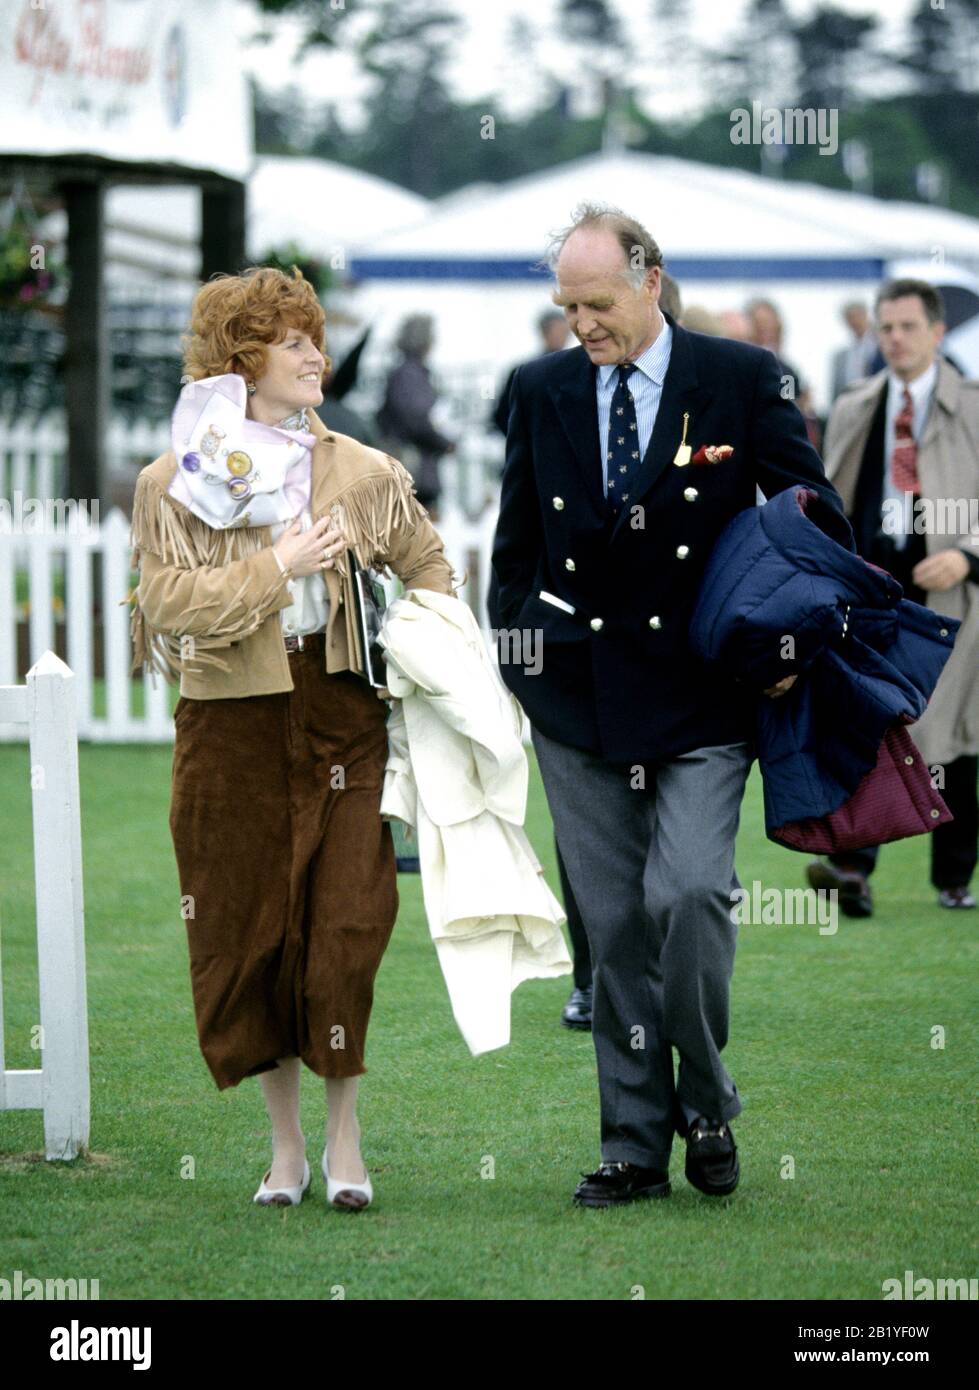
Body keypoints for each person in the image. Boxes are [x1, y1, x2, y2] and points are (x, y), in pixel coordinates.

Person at [489, 201, 851, 1208]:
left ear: (649, 278)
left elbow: (816, 520)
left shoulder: (738, 380)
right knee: (611, 932)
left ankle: (705, 1096)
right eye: (566, 307)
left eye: (596, 303)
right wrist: (522, 664)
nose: (580, 326)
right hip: (576, 700)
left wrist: (792, 644)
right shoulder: (540, 388)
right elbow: (512, 551)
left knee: (687, 896)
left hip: (701, 696)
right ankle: (636, 1146)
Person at [129, 266, 455, 1211]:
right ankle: (285, 1150)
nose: (316, 353)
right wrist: (277, 566)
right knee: (247, 936)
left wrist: (427, 637)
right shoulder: (173, 479)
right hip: (229, 722)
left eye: (314, 336)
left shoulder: (360, 468)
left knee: (347, 928)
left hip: (344, 719)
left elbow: (431, 566)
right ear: (241, 359)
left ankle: (346, 1139)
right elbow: (167, 602)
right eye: (292, 339)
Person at [807, 278, 979, 915]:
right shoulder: (854, 405)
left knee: (953, 732)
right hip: (873, 581)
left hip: (953, 586)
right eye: (886, 328)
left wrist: (966, 555)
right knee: (866, 718)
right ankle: (852, 866)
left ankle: (953, 877)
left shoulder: (974, 404)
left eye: (908, 326)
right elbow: (827, 494)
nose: (896, 339)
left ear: (937, 333)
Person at [376, 313, 454, 512]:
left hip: (413, 469)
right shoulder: (410, 375)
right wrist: (445, 443)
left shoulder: (404, 373)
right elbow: (416, 421)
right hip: (415, 471)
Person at [491, 310, 571, 437]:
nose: (564, 337)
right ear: (544, 333)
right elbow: (502, 416)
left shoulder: (575, 370)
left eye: (566, 332)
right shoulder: (523, 372)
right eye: (559, 332)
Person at [830, 300, 877, 400]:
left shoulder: (879, 349)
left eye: (858, 316)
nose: (855, 321)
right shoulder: (841, 356)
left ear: (866, 316)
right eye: (850, 318)